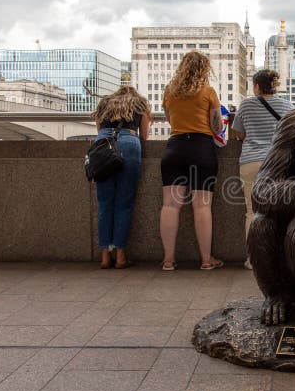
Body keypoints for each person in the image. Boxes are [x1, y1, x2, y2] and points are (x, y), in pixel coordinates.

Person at [160, 51, 225, 271]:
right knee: (202, 206)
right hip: (201, 149)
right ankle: (206, 260)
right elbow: (216, 126)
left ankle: (168, 260)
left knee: (170, 205)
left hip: (175, 148)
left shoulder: (169, 92)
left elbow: (170, 119)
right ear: (205, 69)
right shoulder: (208, 92)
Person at [231, 69, 295, 269]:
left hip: (250, 162)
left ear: (257, 86)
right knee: (279, 211)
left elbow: (239, 134)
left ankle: (253, 259)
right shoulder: (288, 106)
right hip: (277, 163)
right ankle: (279, 257)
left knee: (252, 212)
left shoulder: (247, 104)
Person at [92, 85, 151, 269]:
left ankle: (104, 256)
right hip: (129, 143)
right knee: (124, 203)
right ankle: (120, 256)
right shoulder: (140, 104)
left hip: (103, 144)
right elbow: (145, 136)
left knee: (105, 202)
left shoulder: (104, 103)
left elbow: (99, 130)